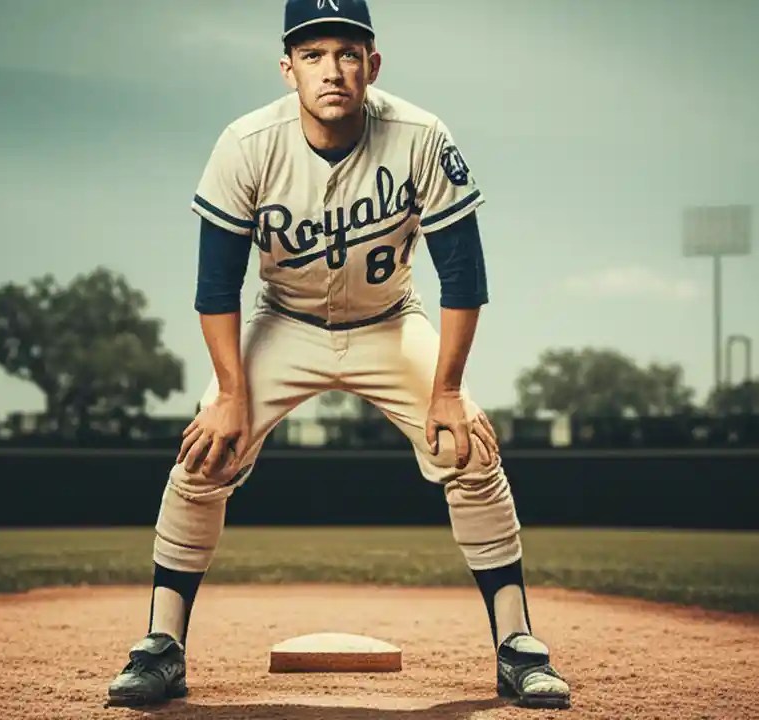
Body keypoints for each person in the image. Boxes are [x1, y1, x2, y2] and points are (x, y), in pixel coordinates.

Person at [107, 0, 571, 710]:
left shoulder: (420, 136)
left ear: (372, 64)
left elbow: (464, 276)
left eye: (348, 53)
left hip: (389, 322)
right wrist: (229, 393)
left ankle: (517, 645)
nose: (332, 70)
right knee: (206, 451)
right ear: (287, 68)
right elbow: (216, 287)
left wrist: (449, 390)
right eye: (314, 54)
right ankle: (161, 646)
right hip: (283, 322)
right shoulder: (246, 143)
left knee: (469, 446)